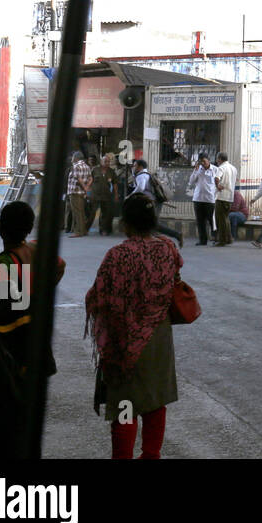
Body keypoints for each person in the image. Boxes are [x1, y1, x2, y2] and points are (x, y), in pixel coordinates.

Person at [84, 194, 182, 459]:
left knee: (125, 405)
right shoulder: (168, 248)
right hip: (158, 337)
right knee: (155, 401)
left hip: (124, 340)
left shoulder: (118, 255)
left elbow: (97, 297)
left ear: (125, 222)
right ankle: (151, 454)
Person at [0, 201, 65, 376]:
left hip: (15, 345)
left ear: (1, 229)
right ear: (29, 229)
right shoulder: (36, 249)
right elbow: (60, 265)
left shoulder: (1, 263)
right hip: (36, 338)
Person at [128, 159, 184, 246]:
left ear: (140, 167)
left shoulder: (141, 176)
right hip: (155, 202)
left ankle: (173, 236)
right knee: (151, 223)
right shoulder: (146, 174)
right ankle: (156, 241)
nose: (133, 167)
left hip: (151, 203)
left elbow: (140, 188)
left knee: (152, 223)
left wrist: (130, 196)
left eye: (135, 166)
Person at [187, 152, 218, 245]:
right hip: (198, 199)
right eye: (201, 162)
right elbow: (191, 181)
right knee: (200, 221)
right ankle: (202, 240)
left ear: (209, 160)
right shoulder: (198, 169)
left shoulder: (215, 170)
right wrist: (195, 171)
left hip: (210, 199)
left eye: (204, 161)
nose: (203, 163)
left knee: (212, 220)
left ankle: (215, 237)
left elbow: (218, 183)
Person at [89, 153, 120, 235]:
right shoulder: (95, 170)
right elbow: (89, 181)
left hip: (106, 195)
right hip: (95, 195)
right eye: (105, 161)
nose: (107, 163)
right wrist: (87, 191)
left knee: (105, 213)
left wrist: (116, 194)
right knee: (92, 212)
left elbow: (115, 183)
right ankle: (86, 228)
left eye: (108, 161)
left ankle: (103, 230)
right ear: (101, 161)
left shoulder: (111, 172)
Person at [213, 151, 238, 246]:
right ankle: (229, 238)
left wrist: (218, 186)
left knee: (220, 220)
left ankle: (222, 240)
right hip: (230, 197)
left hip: (221, 196)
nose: (217, 161)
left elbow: (216, 178)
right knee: (225, 218)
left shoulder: (221, 168)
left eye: (217, 159)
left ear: (220, 159)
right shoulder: (233, 168)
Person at [66, 151, 92, 237]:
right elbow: (90, 178)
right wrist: (86, 187)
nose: (71, 159)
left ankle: (79, 232)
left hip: (75, 192)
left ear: (76, 158)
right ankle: (83, 231)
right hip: (81, 193)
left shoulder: (76, 166)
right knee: (81, 212)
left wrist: (84, 187)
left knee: (77, 212)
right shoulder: (87, 166)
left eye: (73, 157)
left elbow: (78, 178)